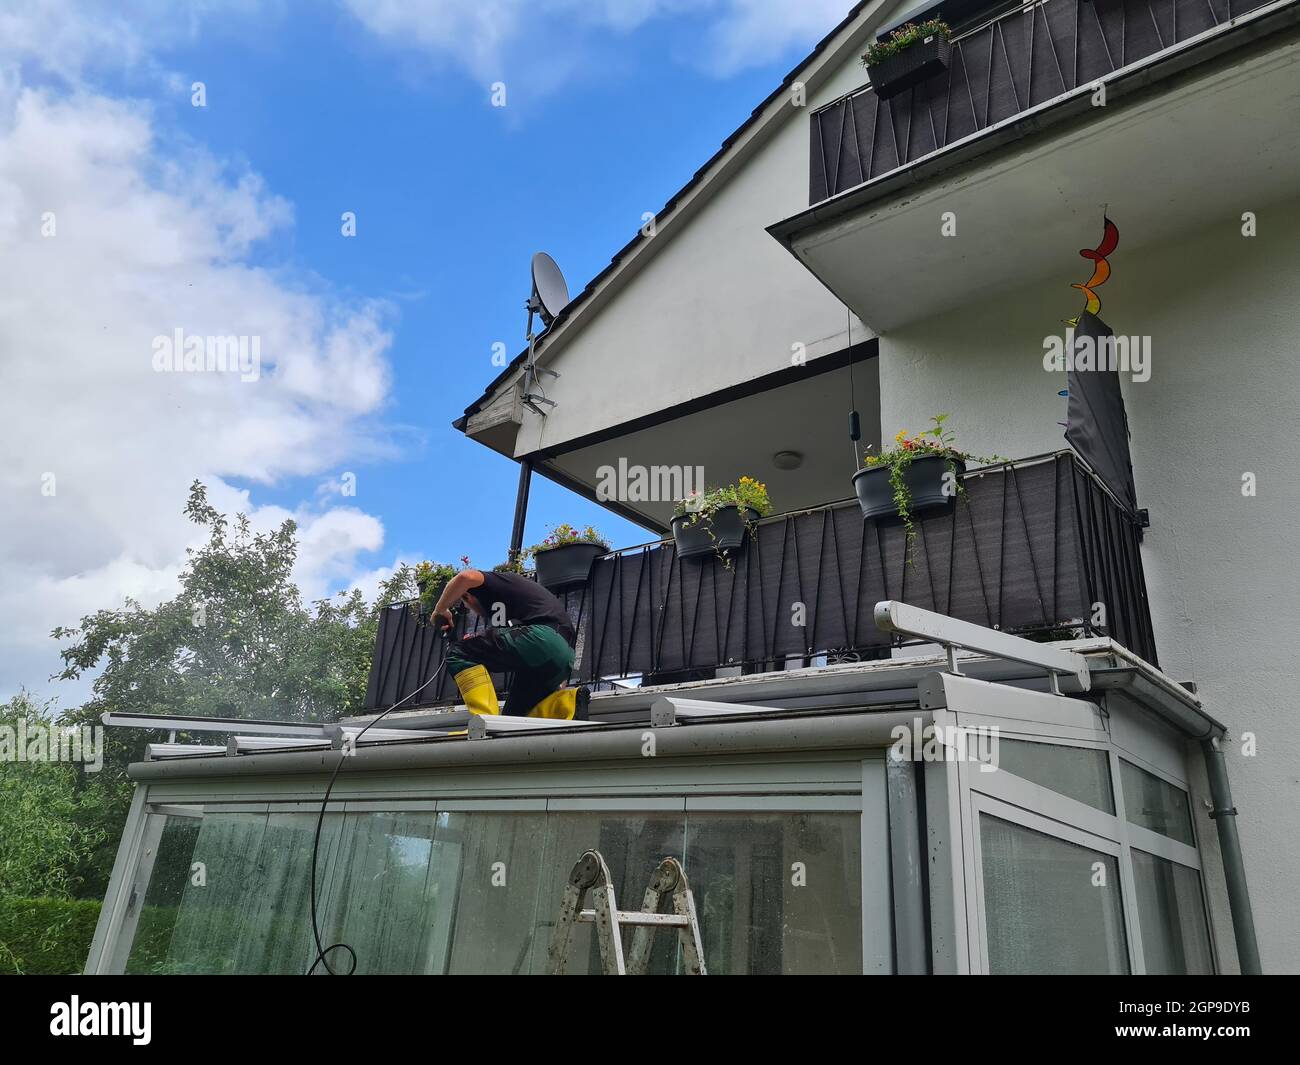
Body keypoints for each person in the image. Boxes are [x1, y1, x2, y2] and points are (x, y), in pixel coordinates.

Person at [431, 566, 587, 720]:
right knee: (514, 720)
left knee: (457, 653)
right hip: (563, 655)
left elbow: (465, 577)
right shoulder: (509, 609)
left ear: (466, 597)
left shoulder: (492, 585)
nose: (473, 612)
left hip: (543, 637)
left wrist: (440, 609)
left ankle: (483, 721)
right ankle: (567, 702)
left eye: (467, 607)